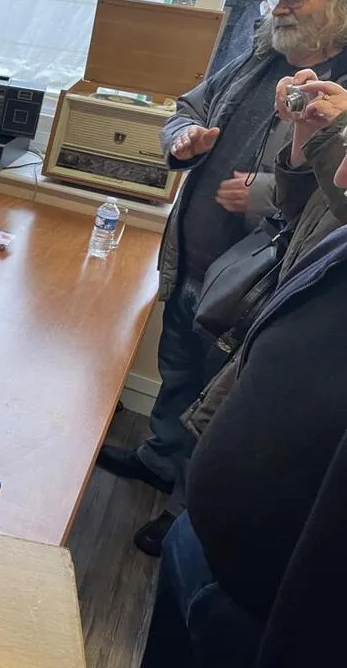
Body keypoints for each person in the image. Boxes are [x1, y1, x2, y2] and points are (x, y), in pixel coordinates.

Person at [96, 0, 347, 556]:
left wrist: (264, 194)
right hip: (196, 257)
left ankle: (188, 509)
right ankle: (159, 458)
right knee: (179, 367)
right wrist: (180, 139)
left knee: (221, 402)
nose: (281, 7)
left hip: (257, 282)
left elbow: (334, 202)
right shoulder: (261, 55)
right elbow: (188, 105)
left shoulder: (341, 96)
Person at [139, 97, 347, 668]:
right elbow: (188, 108)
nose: (344, 168)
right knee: (179, 379)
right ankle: (164, 471)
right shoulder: (258, 62)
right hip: (213, 550)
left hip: (261, 609)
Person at [181, 70, 347, 440]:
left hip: (299, 329)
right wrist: (307, 135)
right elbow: (299, 204)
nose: (279, 9)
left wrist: (338, 135)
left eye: (293, 4)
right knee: (205, 413)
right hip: (258, 296)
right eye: (274, 5)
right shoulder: (256, 61)